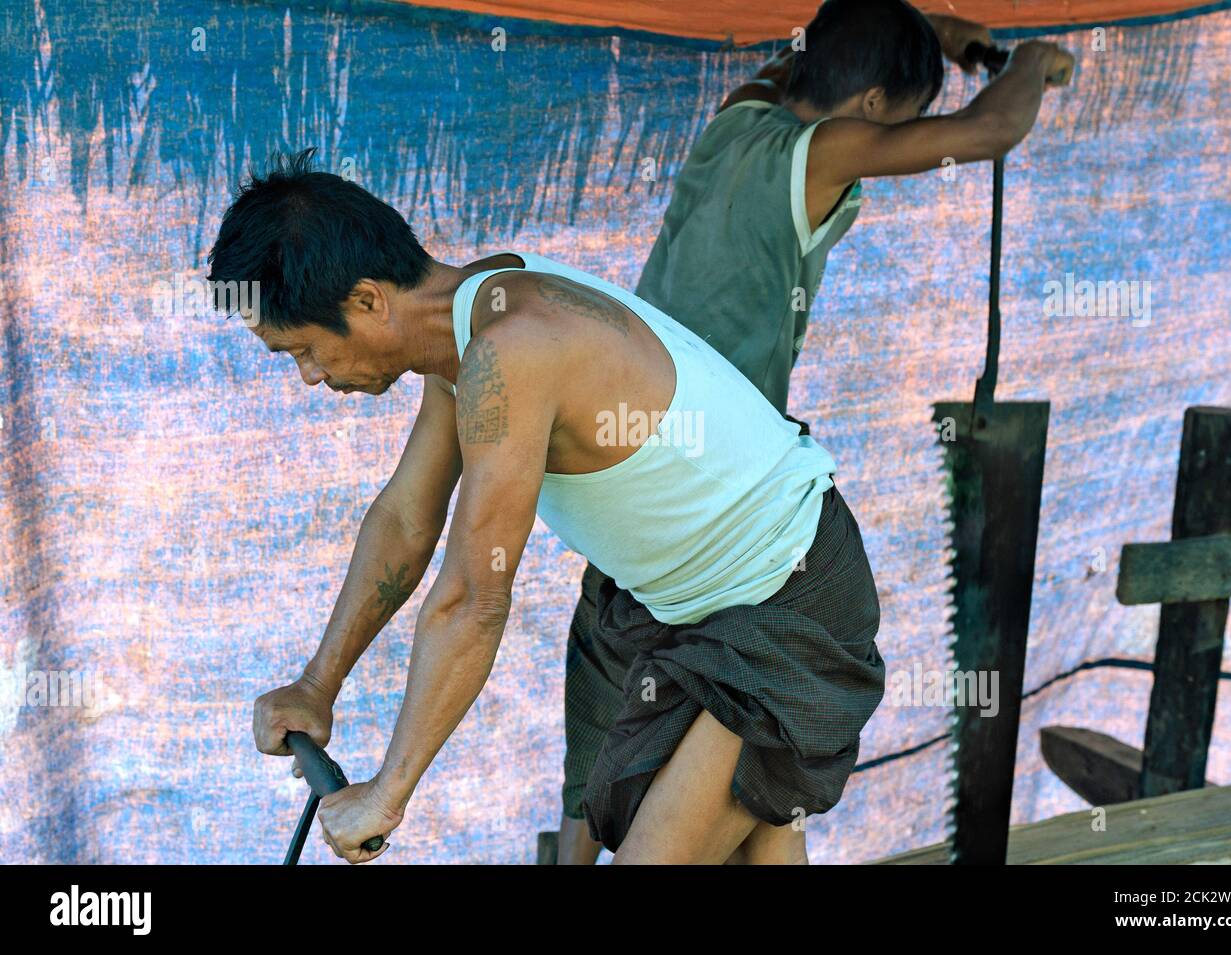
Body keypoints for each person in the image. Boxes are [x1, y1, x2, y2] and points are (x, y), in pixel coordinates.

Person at [213, 149, 885, 863]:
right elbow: (406, 522)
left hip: (789, 601)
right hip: (699, 608)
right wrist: (318, 684)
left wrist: (388, 793)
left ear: (369, 300)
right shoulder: (471, 330)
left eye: (303, 350)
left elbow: (473, 596)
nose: (311, 376)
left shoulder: (513, 348)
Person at [555, 0, 1074, 862]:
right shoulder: (821, 149)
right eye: (895, 119)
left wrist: (932, 36)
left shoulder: (736, 119)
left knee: (650, 751)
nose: (885, 142)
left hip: (635, 480)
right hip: (714, 494)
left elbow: (798, 71)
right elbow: (988, 132)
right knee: (759, 735)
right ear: (870, 105)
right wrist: (1034, 63)